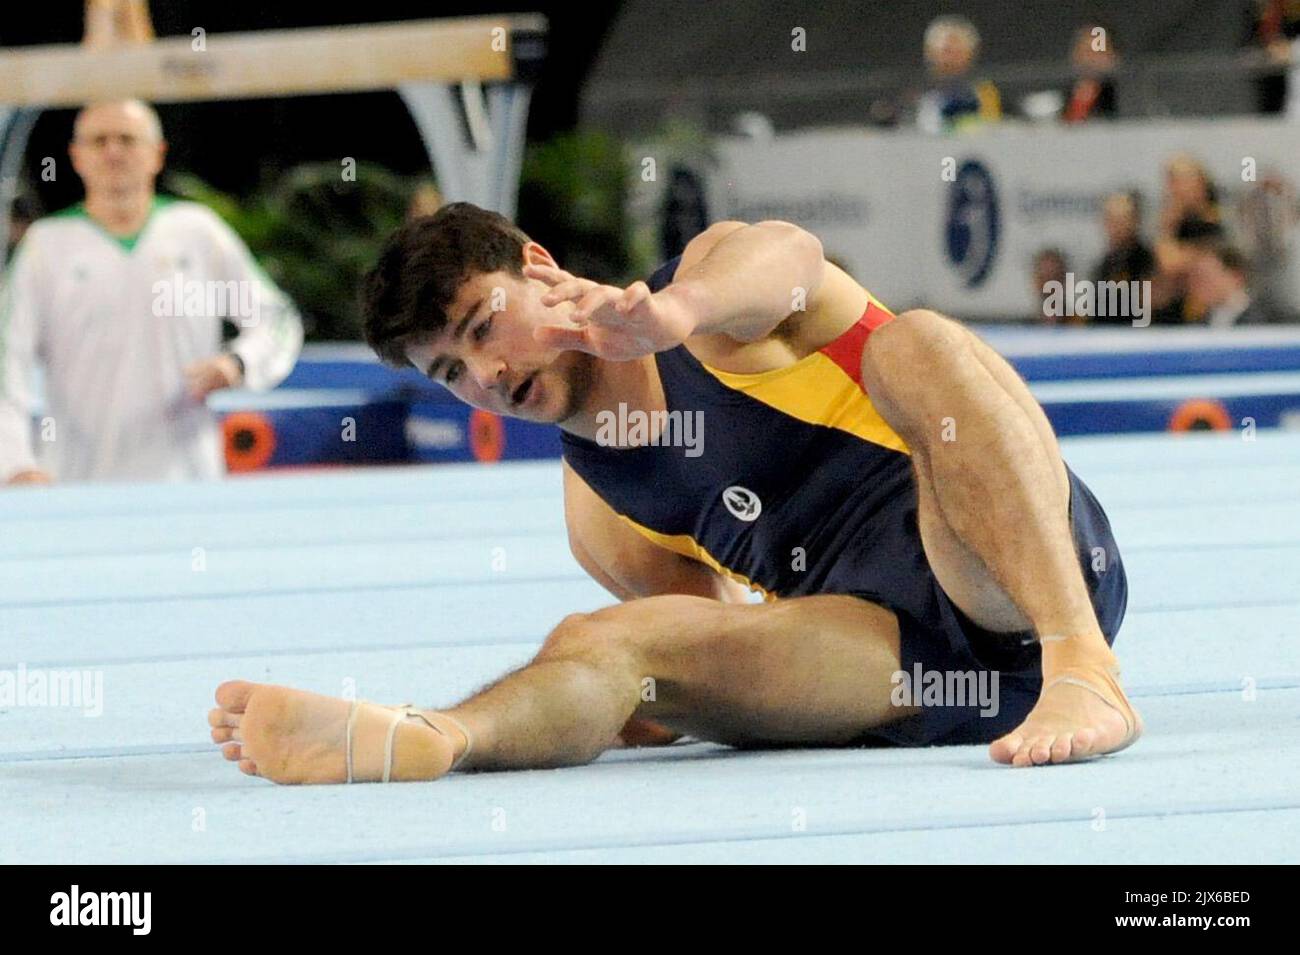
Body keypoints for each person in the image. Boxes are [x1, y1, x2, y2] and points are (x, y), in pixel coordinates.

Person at [209, 203, 1141, 783]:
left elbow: (793, 252)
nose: (486, 374)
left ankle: (1084, 670)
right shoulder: (598, 517)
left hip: (1010, 578)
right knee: (607, 638)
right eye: (452, 371)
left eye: (483, 326)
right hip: (887, 663)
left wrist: (674, 313)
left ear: (538, 265)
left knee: (917, 342)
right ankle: (438, 737)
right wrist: (637, 699)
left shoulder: (710, 299)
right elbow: (716, 652)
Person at [0, 100, 303, 485]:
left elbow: (276, 319)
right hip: (77, 485)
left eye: (127, 139)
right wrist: (15, 464)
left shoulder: (197, 233)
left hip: (187, 482)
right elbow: (8, 364)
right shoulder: (47, 246)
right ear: (76, 156)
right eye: (99, 141)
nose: (113, 152)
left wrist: (239, 362)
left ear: (157, 154)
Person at [915, 16, 1001, 134]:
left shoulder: (985, 90)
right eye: (946, 50)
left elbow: (991, 126)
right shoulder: (914, 90)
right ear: (929, 51)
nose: (950, 58)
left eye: (957, 52)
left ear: (971, 53)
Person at [1187, 244, 1276, 327]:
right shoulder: (1198, 321)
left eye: (1206, 277)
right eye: (1194, 277)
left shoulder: (1269, 318)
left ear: (1235, 276)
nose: (1195, 284)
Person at [1063, 23, 1119, 123]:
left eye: (1099, 51)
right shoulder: (1062, 93)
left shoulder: (1122, 96)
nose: (1091, 59)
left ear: (1113, 55)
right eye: (1086, 51)